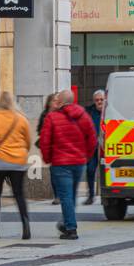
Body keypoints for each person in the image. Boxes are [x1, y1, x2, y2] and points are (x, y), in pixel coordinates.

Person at [39, 89, 97, 241]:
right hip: (79, 162)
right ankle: (66, 223)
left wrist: (48, 159)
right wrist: (86, 157)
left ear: (61, 102)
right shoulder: (84, 115)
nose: (55, 101)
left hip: (61, 163)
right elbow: (92, 139)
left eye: (57, 99)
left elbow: (45, 141)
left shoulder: (52, 117)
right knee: (71, 195)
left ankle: (71, 228)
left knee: (66, 197)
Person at [0, 92, 33, 240]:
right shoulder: (21, 118)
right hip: (19, 162)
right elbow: (28, 141)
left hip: (0, 162)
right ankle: (26, 225)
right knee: (19, 194)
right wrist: (22, 152)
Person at [36, 92, 60, 204]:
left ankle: (60, 195)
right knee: (54, 172)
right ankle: (57, 196)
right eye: (54, 100)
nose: (56, 102)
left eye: (58, 100)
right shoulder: (44, 115)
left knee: (59, 172)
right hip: (51, 147)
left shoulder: (62, 113)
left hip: (60, 146)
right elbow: (39, 130)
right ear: (49, 102)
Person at [83, 90, 105, 205]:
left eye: (101, 99)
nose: (99, 102)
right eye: (97, 100)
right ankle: (91, 195)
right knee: (90, 170)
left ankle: (105, 196)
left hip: (106, 146)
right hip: (92, 146)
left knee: (106, 171)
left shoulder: (109, 111)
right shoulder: (89, 112)